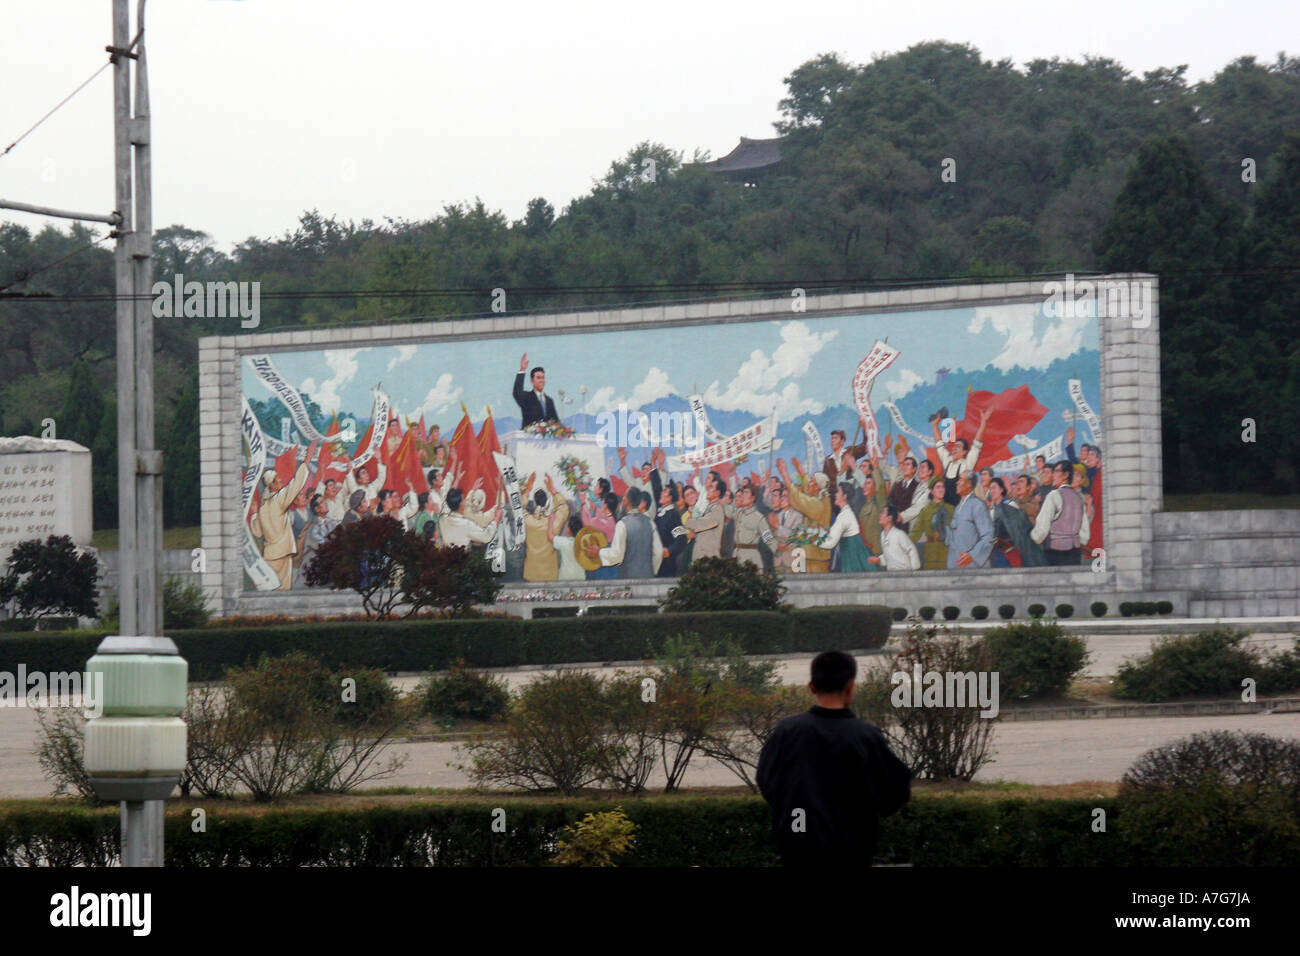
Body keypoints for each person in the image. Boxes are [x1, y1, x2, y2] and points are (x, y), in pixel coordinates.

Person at [757, 650, 912, 867]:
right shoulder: (865, 736)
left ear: (811, 687)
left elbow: (767, 781)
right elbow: (894, 792)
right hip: (852, 849)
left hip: (797, 846)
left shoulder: (787, 732)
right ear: (850, 687)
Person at [249, 441, 319, 590]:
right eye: (277, 479)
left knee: (270, 593)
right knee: (283, 591)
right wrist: (307, 459)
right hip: (282, 553)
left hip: (269, 555)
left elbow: (257, 532)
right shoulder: (278, 499)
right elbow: (296, 484)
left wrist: (254, 513)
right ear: (271, 485)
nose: (280, 480)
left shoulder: (262, 508)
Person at [1030, 461, 1090, 565]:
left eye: (1057, 471)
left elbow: (1041, 529)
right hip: (1075, 553)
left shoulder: (1054, 495)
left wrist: (1034, 539)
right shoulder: (1079, 498)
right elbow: (1084, 534)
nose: (1053, 475)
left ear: (1066, 475)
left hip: (1055, 553)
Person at [933, 407, 990, 506]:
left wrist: (983, 423)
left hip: (961, 508)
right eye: (954, 446)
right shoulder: (948, 462)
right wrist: (934, 425)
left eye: (958, 447)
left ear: (964, 452)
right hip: (946, 509)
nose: (954, 448)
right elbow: (939, 444)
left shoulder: (967, 464)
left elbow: (977, 444)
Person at [987, 476, 1046, 567]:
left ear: (1001, 489)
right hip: (1000, 551)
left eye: (994, 488)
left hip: (1015, 551)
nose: (991, 491)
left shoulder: (1011, 505)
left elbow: (1018, 531)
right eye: (990, 489)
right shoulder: (993, 509)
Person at [817, 482, 876, 573]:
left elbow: (830, 542)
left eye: (838, 492)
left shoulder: (844, 515)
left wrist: (813, 539)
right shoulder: (846, 512)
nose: (835, 494)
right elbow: (833, 532)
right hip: (853, 554)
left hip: (852, 557)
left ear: (844, 496)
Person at [944, 471, 994, 569]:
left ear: (969, 484)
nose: (957, 483)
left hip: (972, 567)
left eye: (961, 480)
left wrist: (972, 555)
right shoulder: (958, 507)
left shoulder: (977, 505)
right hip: (956, 566)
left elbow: (989, 537)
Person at [908, 478, 952, 570]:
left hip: (947, 552)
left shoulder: (951, 509)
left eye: (943, 487)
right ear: (931, 491)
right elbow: (915, 533)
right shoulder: (925, 511)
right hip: (930, 554)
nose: (941, 489)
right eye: (938, 487)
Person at [512, 353, 560, 427]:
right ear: (532, 381)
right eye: (538, 377)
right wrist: (522, 370)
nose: (541, 380)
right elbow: (516, 392)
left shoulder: (549, 401)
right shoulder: (526, 397)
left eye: (543, 377)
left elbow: (556, 422)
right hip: (528, 437)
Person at [870, 504, 921, 571]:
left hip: (904, 572)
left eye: (883, 513)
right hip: (892, 572)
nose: (880, 515)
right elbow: (890, 554)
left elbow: (911, 550)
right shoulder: (882, 535)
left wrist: (914, 571)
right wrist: (878, 560)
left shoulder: (899, 534)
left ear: (889, 518)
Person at [549, 512, 586, 582]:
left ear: (569, 530)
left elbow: (550, 537)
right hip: (580, 577)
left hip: (565, 577)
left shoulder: (564, 542)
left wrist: (551, 521)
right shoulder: (583, 543)